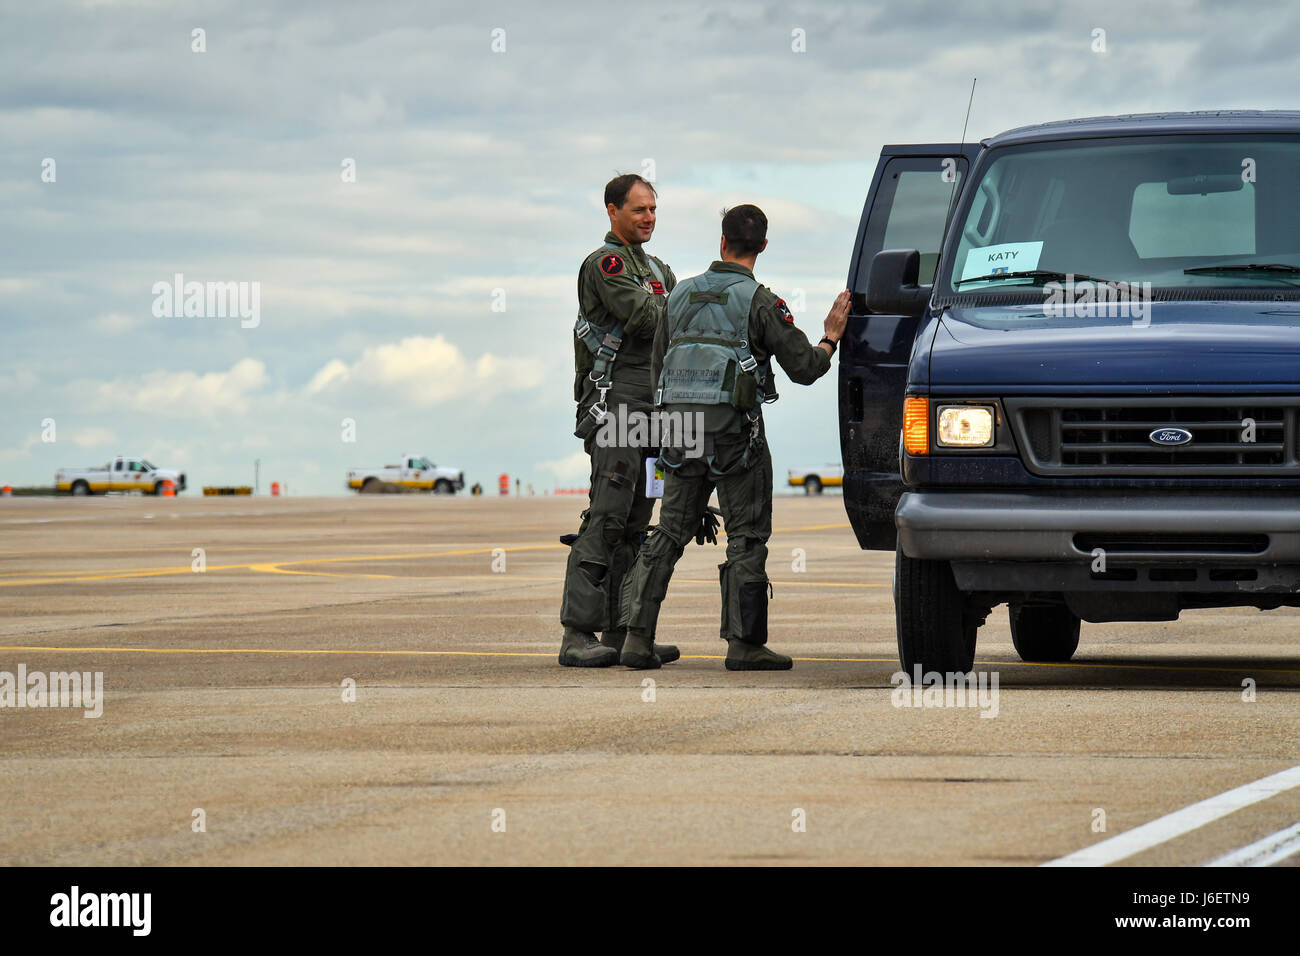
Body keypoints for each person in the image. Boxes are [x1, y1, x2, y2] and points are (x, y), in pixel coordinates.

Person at [617, 204, 851, 670]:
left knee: (668, 531)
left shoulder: (677, 296)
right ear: (762, 246)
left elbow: (656, 367)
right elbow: (804, 368)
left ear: (721, 242)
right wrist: (830, 337)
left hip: (678, 432)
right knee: (746, 537)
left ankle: (636, 639)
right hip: (734, 437)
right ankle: (744, 645)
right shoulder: (760, 301)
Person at [557, 174, 682, 667]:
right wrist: (680, 308)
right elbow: (649, 318)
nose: (648, 217)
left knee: (637, 520)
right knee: (608, 510)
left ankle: (625, 631)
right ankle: (577, 633)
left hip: (652, 399)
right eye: (638, 210)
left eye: (653, 209)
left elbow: (667, 319)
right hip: (616, 400)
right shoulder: (605, 265)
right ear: (612, 211)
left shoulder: (659, 269)